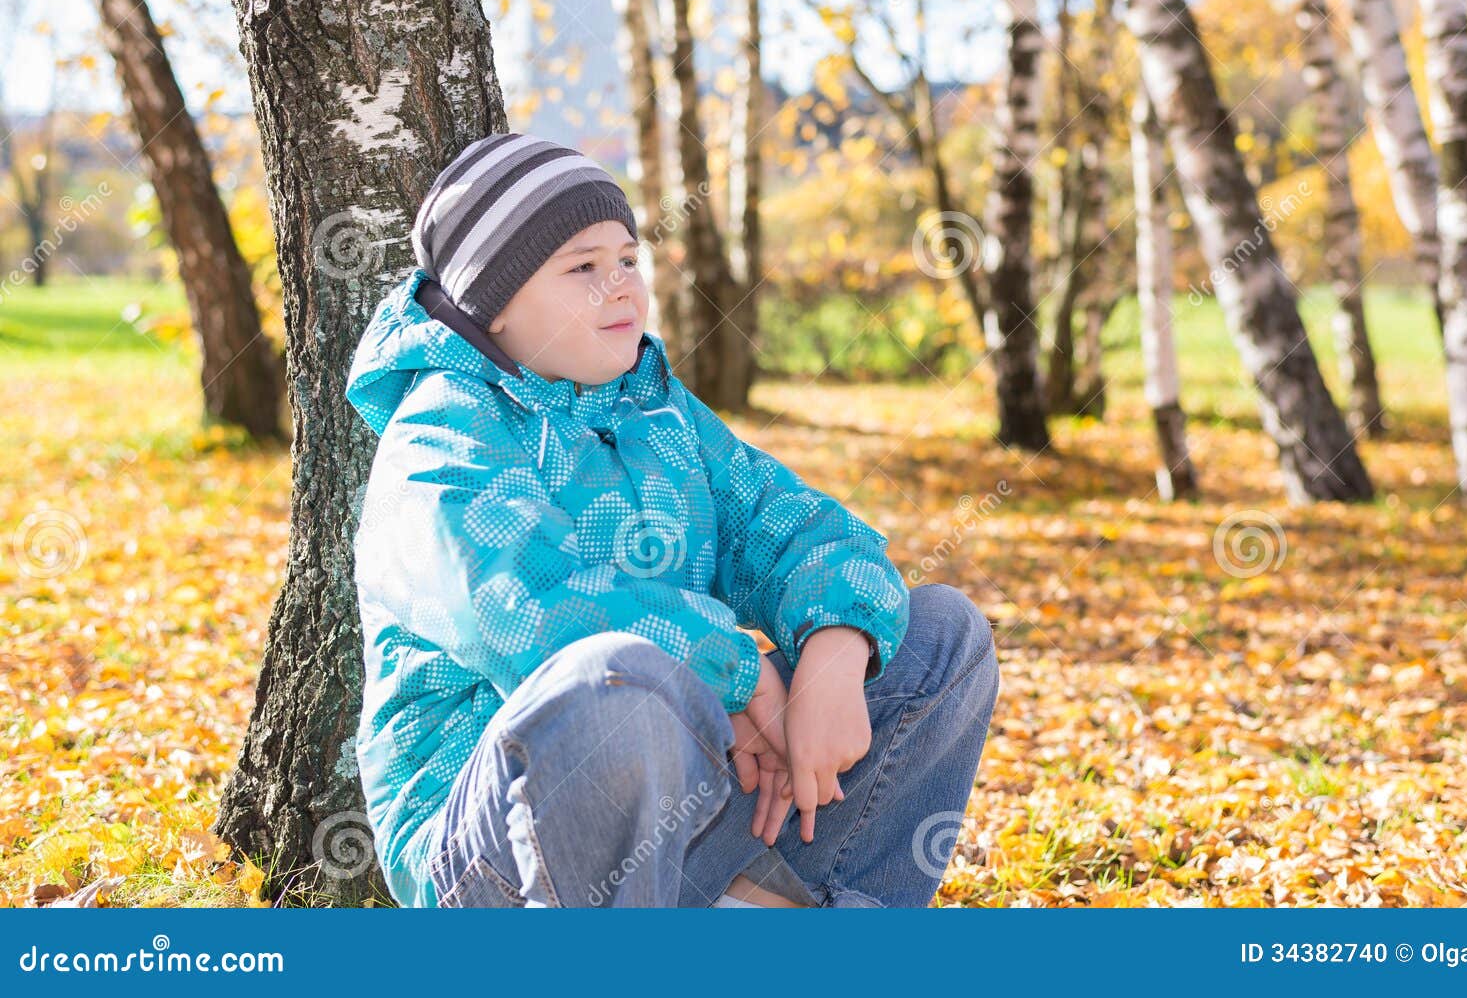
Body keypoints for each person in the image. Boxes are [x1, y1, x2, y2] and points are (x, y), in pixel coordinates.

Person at [344, 132, 1000, 907]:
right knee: (614, 680)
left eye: (627, 259)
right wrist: (739, 670)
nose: (621, 286)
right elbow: (526, 609)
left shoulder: (654, 408)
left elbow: (792, 524)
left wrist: (835, 647)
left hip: (695, 800)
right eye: (583, 268)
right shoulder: (440, 435)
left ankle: (789, 915)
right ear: (494, 303)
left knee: (939, 637)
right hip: (498, 848)